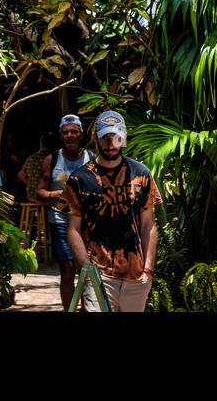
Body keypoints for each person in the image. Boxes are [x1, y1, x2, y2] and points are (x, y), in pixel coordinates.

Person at [61, 111, 159, 312]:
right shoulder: (79, 179)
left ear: (123, 138)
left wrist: (148, 270)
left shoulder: (142, 173)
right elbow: (73, 230)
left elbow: (149, 225)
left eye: (116, 137)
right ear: (95, 137)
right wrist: (88, 270)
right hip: (99, 275)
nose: (111, 143)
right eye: (105, 137)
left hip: (136, 275)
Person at [38, 115, 92, 308]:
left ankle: (87, 308)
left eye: (74, 131)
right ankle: (69, 308)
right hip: (60, 221)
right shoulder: (51, 160)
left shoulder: (92, 159)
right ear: (61, 135)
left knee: (85, 270)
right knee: (67, 270)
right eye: (66, 132)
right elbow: (40, 192)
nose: (70, 135)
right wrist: (58, 193)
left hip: (87, 223)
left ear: (81, 134)